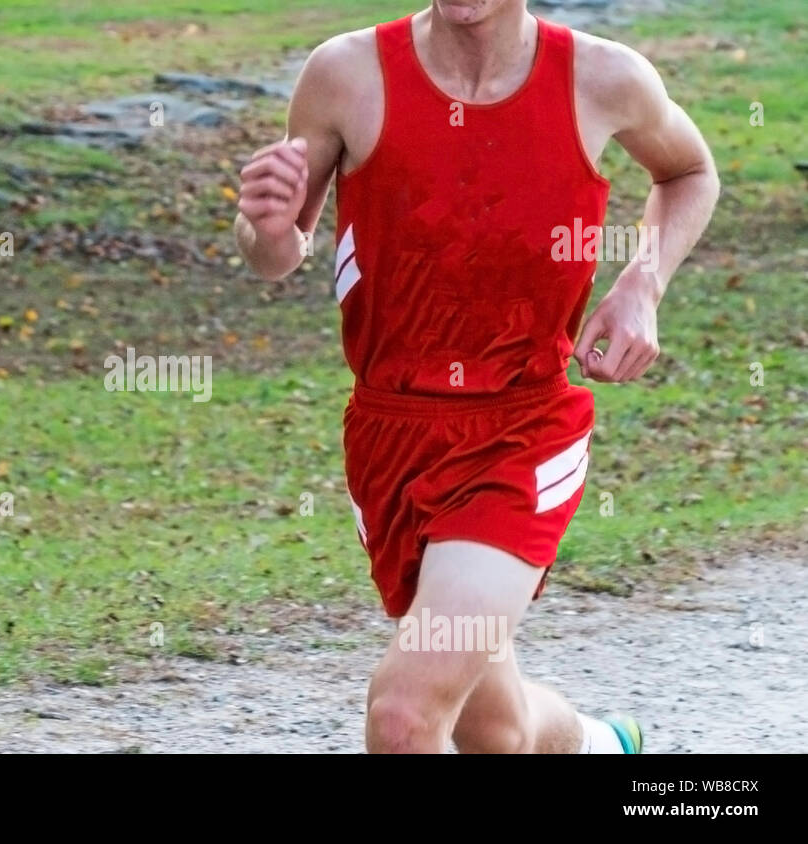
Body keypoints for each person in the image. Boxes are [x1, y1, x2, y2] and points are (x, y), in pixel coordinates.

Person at [234, 0, 718, 753]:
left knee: (404, 715)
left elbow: (689, 171)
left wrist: (641, 287)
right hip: (390, 434)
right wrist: (262, 227)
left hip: (523, 432)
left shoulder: (603, 78)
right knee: (496, 731)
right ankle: (594, 744)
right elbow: (278, 252)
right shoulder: (346, 73)